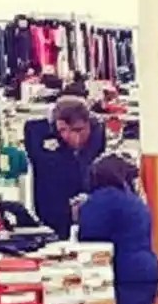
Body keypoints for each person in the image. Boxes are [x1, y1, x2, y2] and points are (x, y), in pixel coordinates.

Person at [77, 154, 158, 304]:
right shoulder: (134, 200)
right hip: (147, 271)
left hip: (123, 276)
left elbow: (90, 243)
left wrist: (79, 214)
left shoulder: (99, 201)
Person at [22, 96, 107, 238]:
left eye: (78, 129)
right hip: (50, 206)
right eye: (63, 130)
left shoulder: (97, 133)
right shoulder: (38, 132)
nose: (70, 135)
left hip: (87, 206)